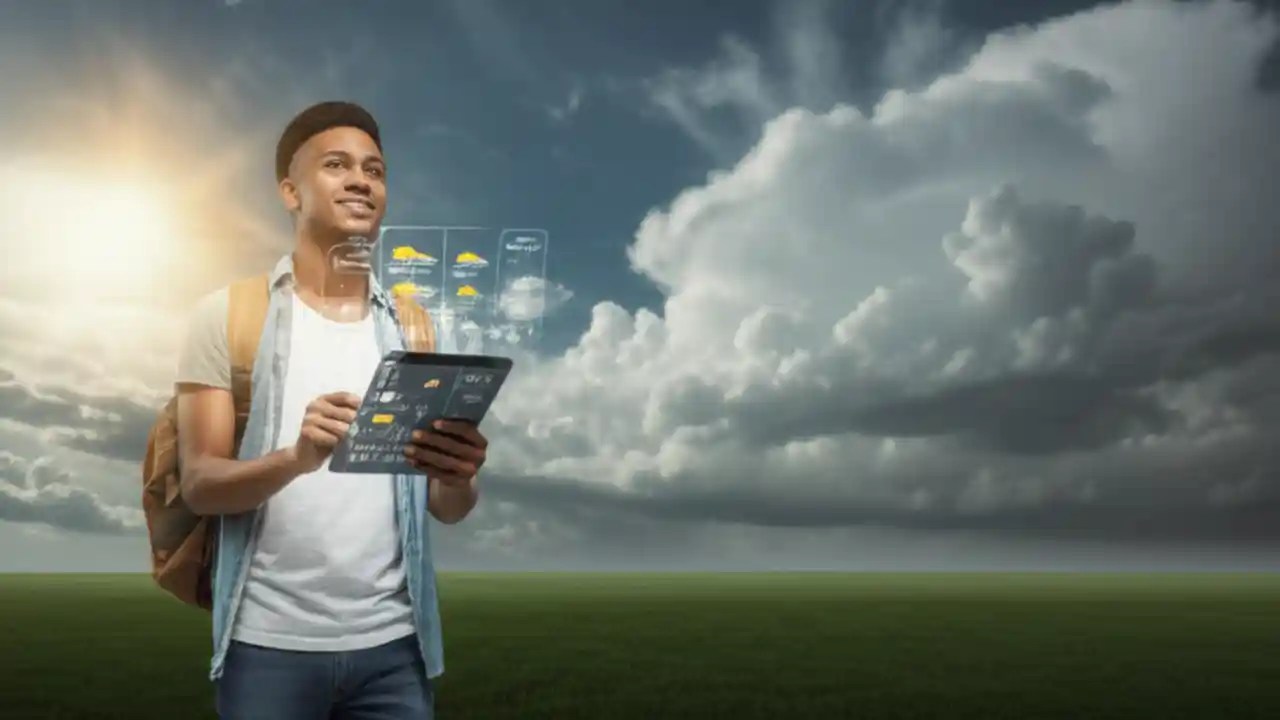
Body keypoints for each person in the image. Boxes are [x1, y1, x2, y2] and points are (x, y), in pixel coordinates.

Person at [173, 100, 487, 718]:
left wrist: (460, 475)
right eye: (337, 165)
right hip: (266, 649)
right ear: (290, 192)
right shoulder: (229, 316)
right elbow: (200, 486)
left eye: (375, 170)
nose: (361, 181)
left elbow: (447, 510)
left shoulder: (415, 329)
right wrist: (295, 457)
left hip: (396, 652)